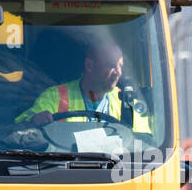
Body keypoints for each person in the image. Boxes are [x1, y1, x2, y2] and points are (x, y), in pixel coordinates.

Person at [15, 40, 150, 134]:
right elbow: (21, 125)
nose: (118, 73)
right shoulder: (55, 96)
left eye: (120, 66)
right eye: (111, 66)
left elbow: (145, 139)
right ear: (89, 66)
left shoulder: (126, 101)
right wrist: (33, 120)